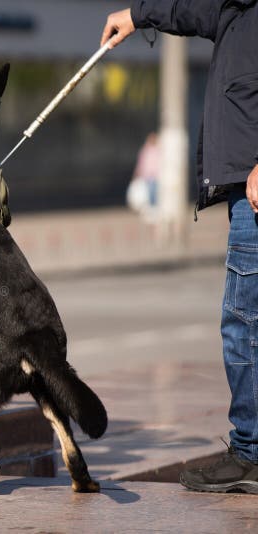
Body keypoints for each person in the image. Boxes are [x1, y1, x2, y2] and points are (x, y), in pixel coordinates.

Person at [102, 2, 258, 494]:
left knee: (245, 327)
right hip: (245, 193)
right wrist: (137, 14)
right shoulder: (238, 13)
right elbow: (192, 9)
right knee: (245, 325)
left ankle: (251, 453)